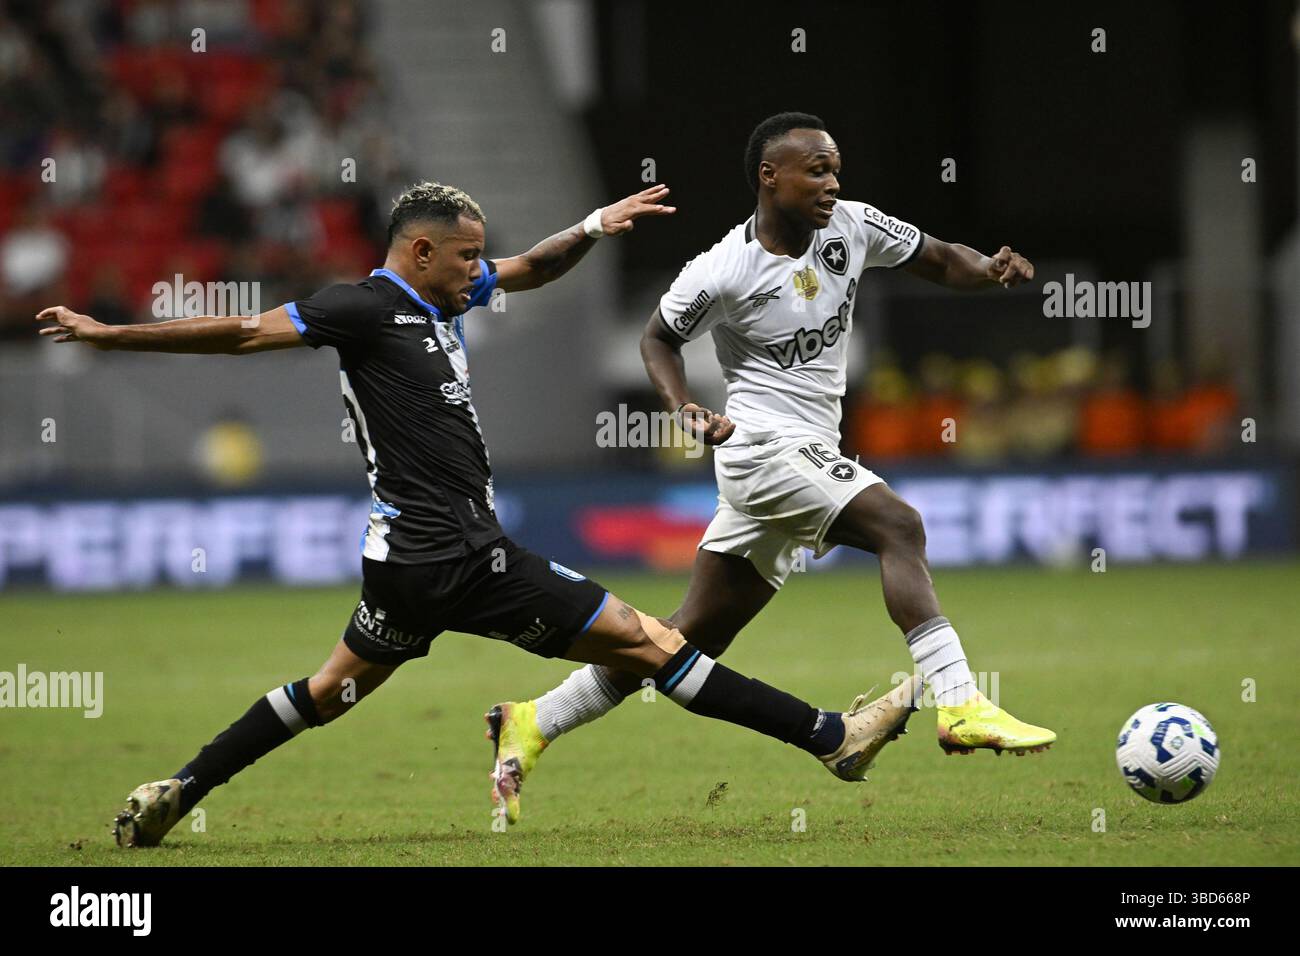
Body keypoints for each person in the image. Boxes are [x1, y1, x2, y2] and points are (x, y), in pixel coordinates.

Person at [37, 180, 922, 844]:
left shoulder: (436, 300)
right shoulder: (361, 307)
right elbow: (237, 333)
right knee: (654, 644)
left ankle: (178, 791)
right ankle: (831, 738)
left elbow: (531, 269)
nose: (479, 273)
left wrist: (590, 227)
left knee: (327, 691)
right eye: (466, 258)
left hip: (402, 566)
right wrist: (111, 335)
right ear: (419, 252)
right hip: (461, 556)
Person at [493, 113, 1056, 822]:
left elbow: (942, 259)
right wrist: (683, 407)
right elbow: (658, 338)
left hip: (809, 450)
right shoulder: (724, 268)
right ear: (770, 177)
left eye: (835, 168)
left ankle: (534, 720)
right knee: (899, 525)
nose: (832, 182)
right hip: (762, 448)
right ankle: (960, 701)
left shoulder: (852, 225)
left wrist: (990, 269)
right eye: (816, 170)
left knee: (687, 637)